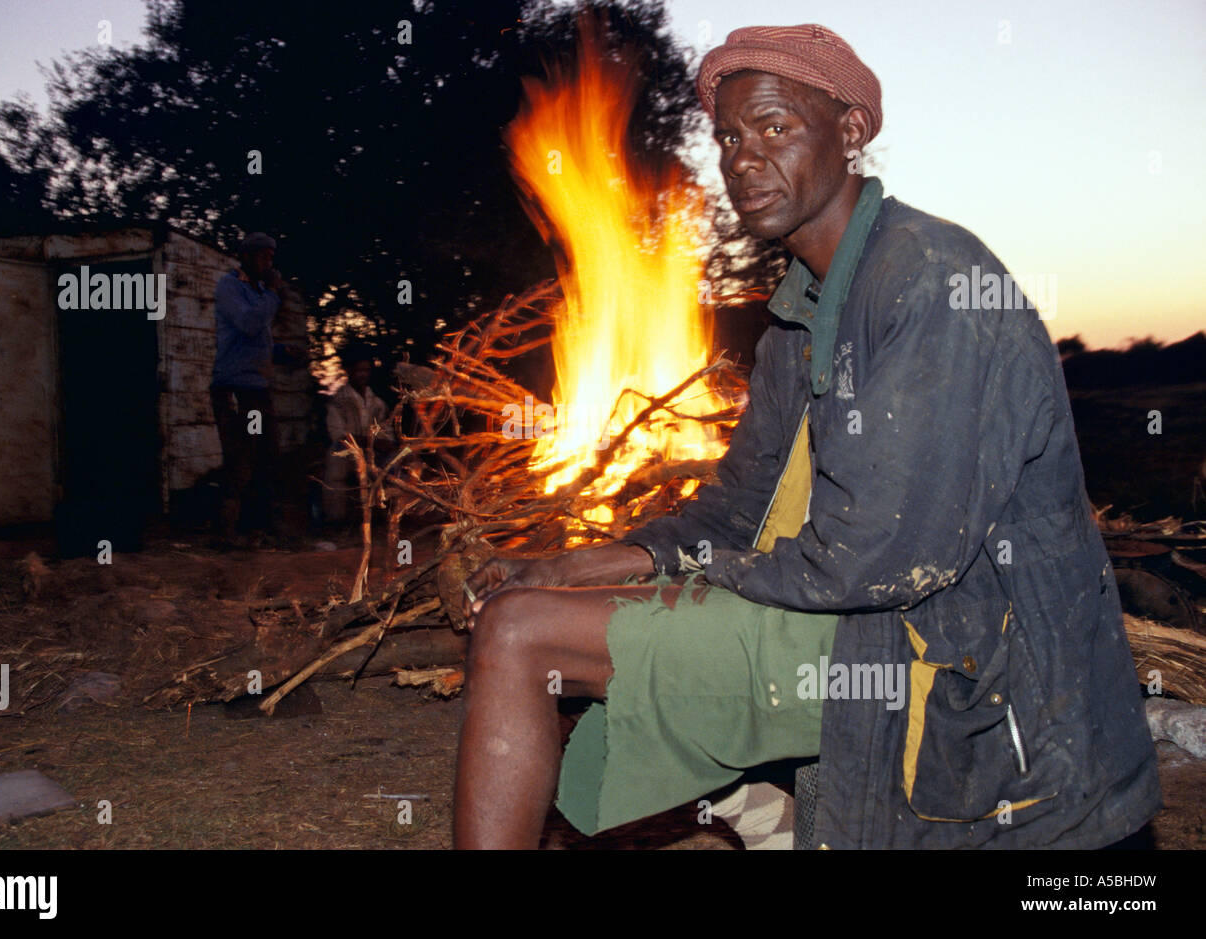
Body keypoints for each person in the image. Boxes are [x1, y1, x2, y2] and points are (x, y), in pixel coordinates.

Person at [454, 24, 1160, 850]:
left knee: (516, 635)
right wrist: (576, 565)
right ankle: (770, 811)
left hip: (943, 652)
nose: (742, 158)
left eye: (776, 127)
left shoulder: (930, 280)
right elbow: (738, 508)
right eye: (728, 136)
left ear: (852, 133)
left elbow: (882, 559)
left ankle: (771, 807)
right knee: (530, 607)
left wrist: (702, 576)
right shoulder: (800, 314)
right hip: (846, 610)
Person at [210, 231, 286, 545]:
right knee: (240, 455)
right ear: (246, 257)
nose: (269, 262)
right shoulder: (230, 286)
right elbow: (249, 324)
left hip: (257, 387)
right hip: (234, 388)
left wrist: (280, 352)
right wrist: (272, 293)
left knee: (265, 454)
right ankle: (227, 533)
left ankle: (257, 529)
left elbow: (255, 339)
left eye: (271, 257)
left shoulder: (256, 291)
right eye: (263, 256)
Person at [322, 347, 391, 526]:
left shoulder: (377, 403)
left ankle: (390, 516)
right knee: (336, 467)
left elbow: (386, 433)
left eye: (366, 370)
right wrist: (371, 441)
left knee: (397, 463)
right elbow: (339, 435)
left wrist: (385, 444)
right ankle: (335, 520)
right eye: (359, 370)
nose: (363, 375)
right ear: (349, 371)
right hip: (346, 452)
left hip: (373, 453)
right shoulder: (338, 402)